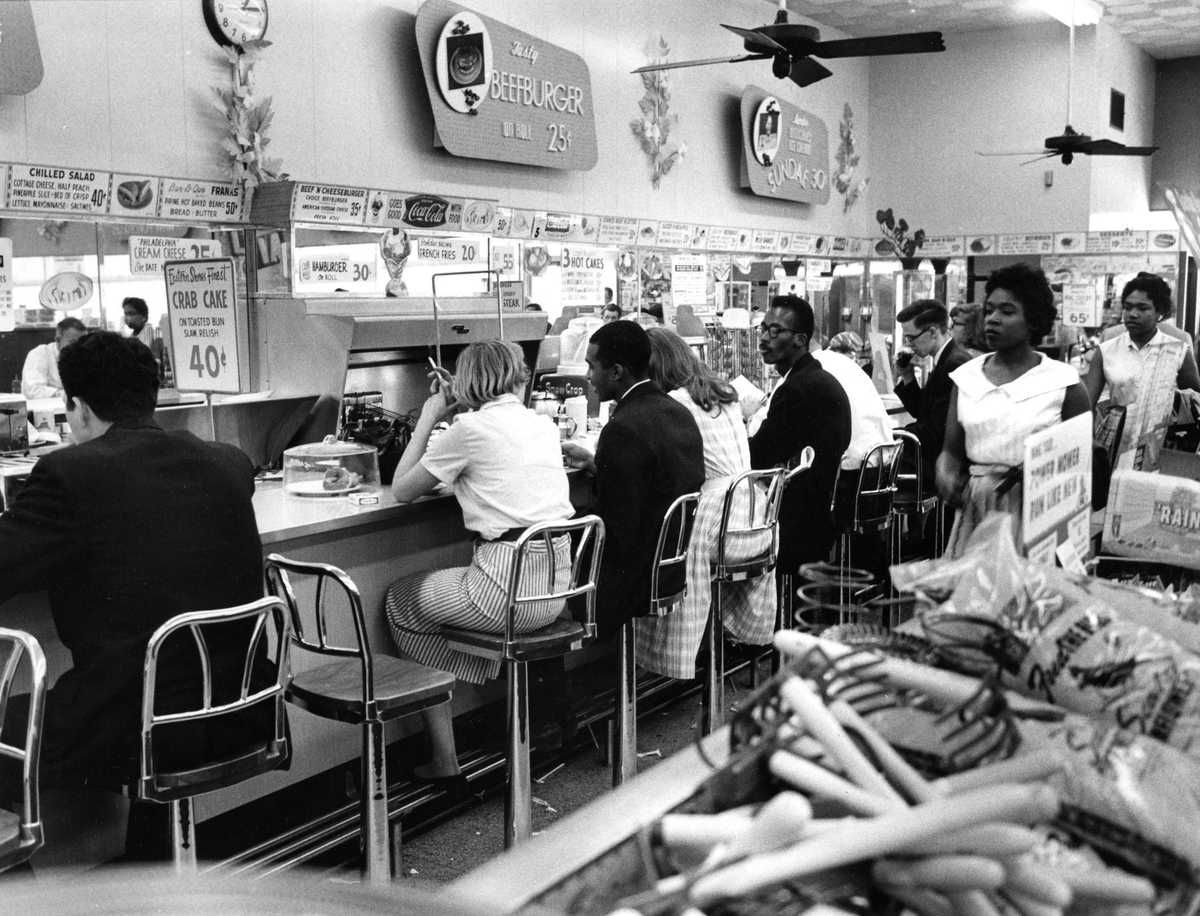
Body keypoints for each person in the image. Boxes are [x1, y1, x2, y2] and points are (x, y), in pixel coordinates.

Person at [0, 331, 269, 861]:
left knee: (9, 726)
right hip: (243, 703)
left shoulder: (70, 474)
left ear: (75, 407)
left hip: (139, 723)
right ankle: (148, 866)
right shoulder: (229, 461)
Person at [385, 339, 573, 779]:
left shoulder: (466, 431)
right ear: (518, 375)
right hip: (555, 589)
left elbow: (402, 490)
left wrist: (433, 414)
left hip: (502, 592)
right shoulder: (541, 423)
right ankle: (480, 675)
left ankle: (446, 759)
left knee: (400, 601)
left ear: (468, 380)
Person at [632, 327, 774, 679]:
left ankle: (654, 657)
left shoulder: (675, 403)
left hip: (719, 524)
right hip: (755, 519)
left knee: (649, 543)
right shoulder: (721, 393)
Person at [562, 321, 704, 639]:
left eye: (591, 366)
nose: (587, 376)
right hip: (669, 567)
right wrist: (600, 465)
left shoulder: (623, 427)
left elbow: (615, 524)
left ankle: (549, 683)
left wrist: (561, 525)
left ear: (616, 372)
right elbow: (650, 485)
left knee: (539, 556)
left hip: (632, 578)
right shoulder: (677, 412)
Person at [937, 265, 1090, 557]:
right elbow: (951, 450)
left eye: (1007, 312)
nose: (993, 319)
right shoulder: (966, 378)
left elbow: (1081, 470)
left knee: (1027, 595)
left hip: (1040, 511)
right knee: (976, 594)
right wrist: (945, 473)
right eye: (989, 310)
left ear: (1032, 320)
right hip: (979, 508)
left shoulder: (1065, 384)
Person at [748, 295, 851, 574]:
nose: (764, 339)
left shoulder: (798, 389)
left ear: (800, 339)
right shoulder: (815, 379)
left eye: (776, 331)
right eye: (763, 329)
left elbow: (759, 456)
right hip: (819, 513)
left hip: (795, 523)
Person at [1085, 272, 1200, 471]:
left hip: (1163, 452)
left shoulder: (1178, 350)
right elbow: (1086, 405)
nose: (1132, 314)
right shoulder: (1106, 350)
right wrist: (1090, 444)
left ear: (1160, 312)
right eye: (1128, 307)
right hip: (1115, 449)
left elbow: (1196, 400)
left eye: (1142, 308)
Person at [894, 299, 973, 486]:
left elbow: (935, 430)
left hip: (941, 465)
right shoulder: (943, 359)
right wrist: (907, 377)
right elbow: (923, 412)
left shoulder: (954, 363)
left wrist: (895, 435)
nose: (909, 344)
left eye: (912, 337)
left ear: (932, 332)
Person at [20, 316, 86, 399]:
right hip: (47, 409)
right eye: (72, 342)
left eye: (82, 343)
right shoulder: (40, 353)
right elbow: (32, 390)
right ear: (58, 337)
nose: (77, 347)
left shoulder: (86, 356)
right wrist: (63, 395)